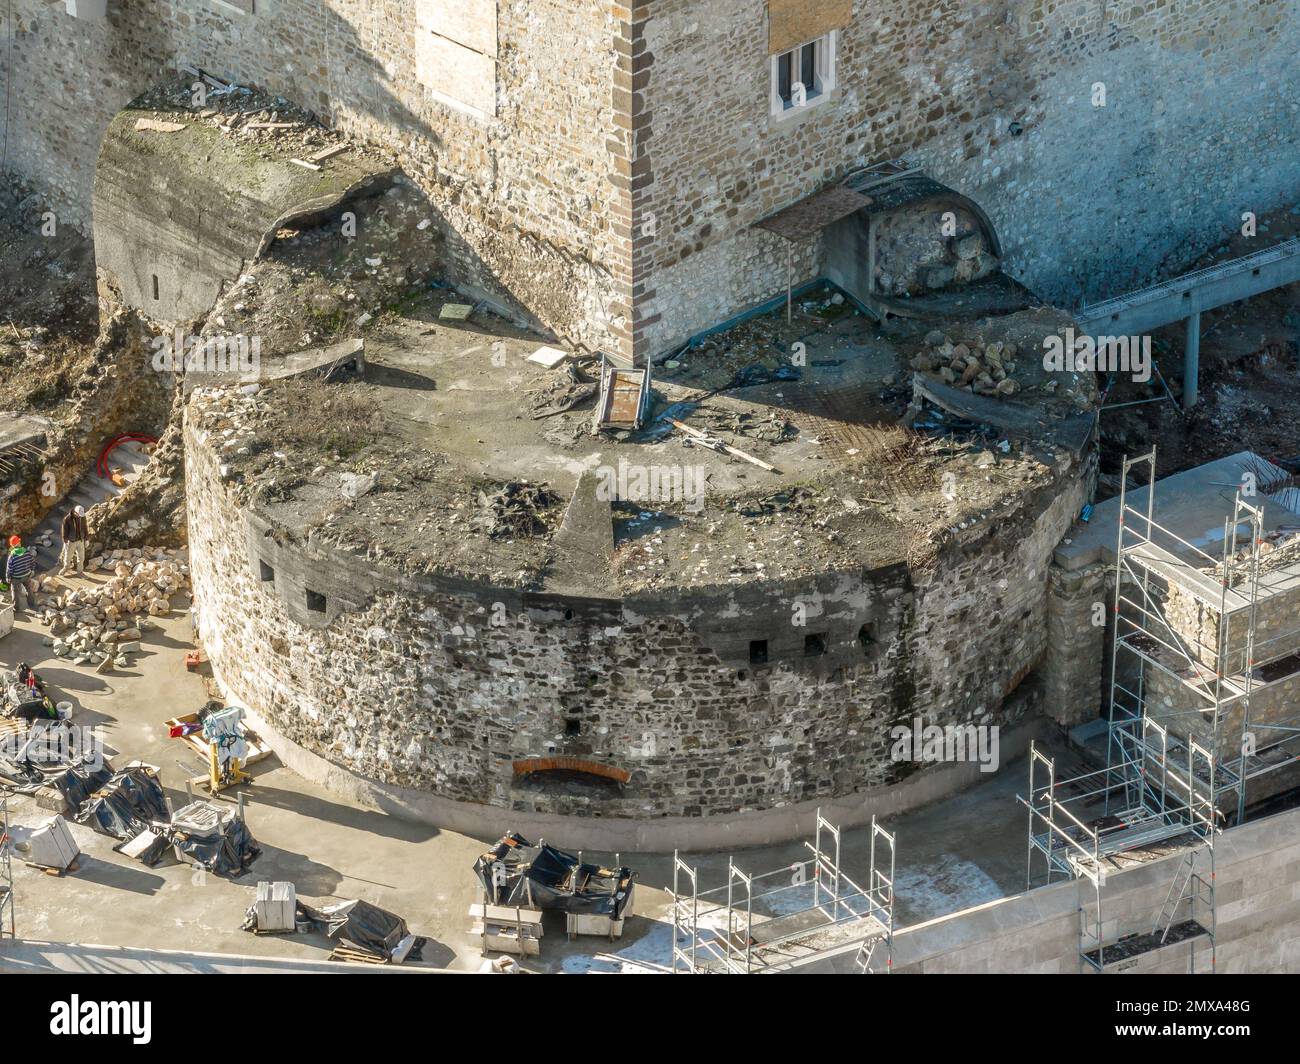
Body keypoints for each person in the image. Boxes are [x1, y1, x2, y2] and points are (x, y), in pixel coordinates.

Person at [5, 535, 36, 615]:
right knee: (29, 589)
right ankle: (32, 604)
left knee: (15, 592)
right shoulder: (27, 552)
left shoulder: (12, 556)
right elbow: (32, 562)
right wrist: (32, 570)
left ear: (12, 546)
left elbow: (9, 569)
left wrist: (8, 577)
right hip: (26, 575)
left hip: (16, 577)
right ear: (19, 543)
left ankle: (16, 608)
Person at [60, 504, 89, 576]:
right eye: (78, 514)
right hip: (71, 541)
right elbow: (64, 531)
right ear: (75, 512)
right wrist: (65, 541)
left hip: (80, 540)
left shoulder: (83, 517)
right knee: (68, 557)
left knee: (81, 557)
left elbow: (85, 527)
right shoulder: (67, 519)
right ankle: (66, 568)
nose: (80, 516)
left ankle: (80, 572)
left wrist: (86, 539)